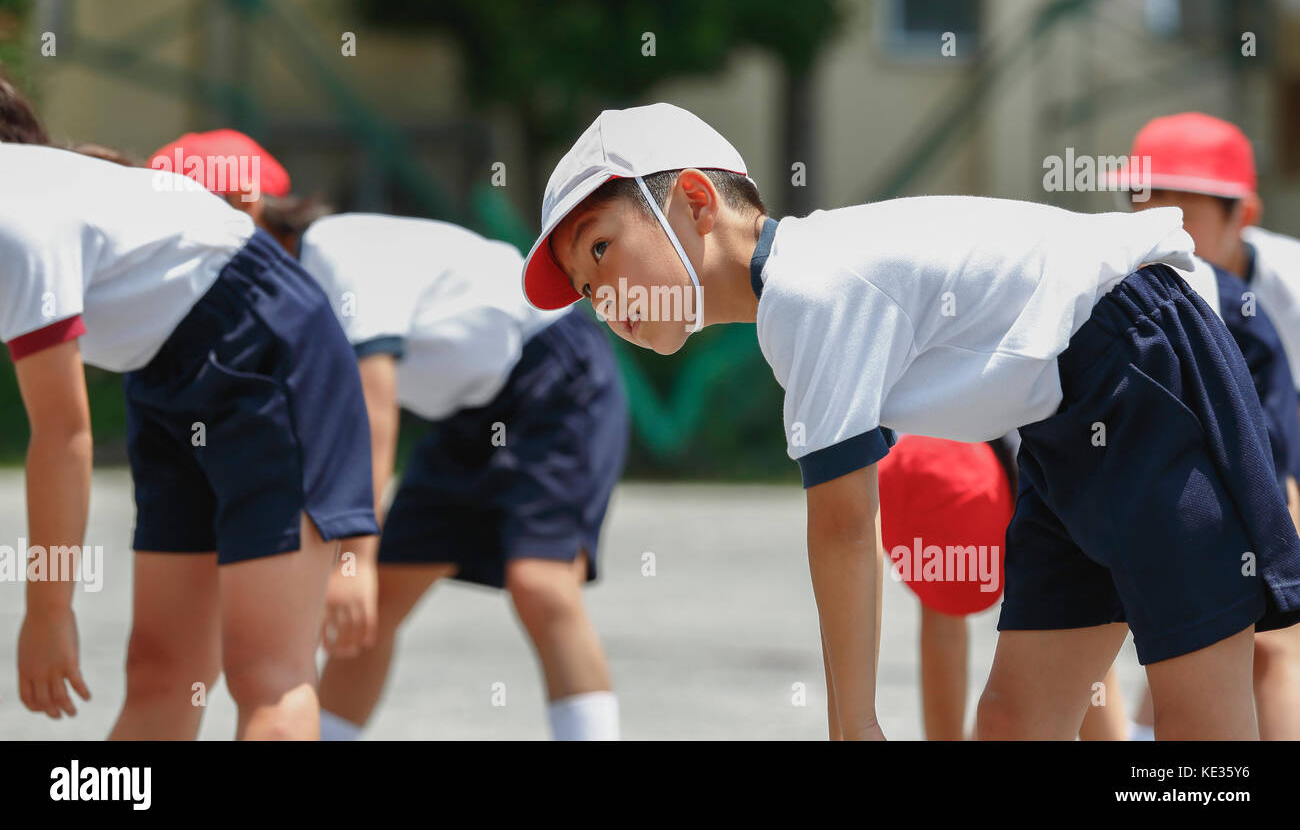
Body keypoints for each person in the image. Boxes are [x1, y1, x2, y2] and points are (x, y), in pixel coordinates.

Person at [522, 102, 1300, 740]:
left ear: (696, 201)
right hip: (1068, 421)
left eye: (602, 248)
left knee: (1202, 734)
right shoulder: (799, 293)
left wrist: (852, 723)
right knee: (1013, 722)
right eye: (586, 287)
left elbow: (844, 528)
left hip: (1140, 366)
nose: (603, 295)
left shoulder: (809, 287)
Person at [153, 131, 630, 740]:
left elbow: (372, 412)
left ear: (245, 206)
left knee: (539, 581)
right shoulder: (273, 299)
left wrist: (352, 558)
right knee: (371, 610)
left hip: (553, 378)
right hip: (468, 414)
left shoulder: (335, 252)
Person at [0, 81, 377, 740]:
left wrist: (48, 608)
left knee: (265, 672)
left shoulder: (14, 218)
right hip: (165, 363)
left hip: (262, 339)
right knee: (160, 669)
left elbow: (62, 434)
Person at [1124, 112, 1300, 739]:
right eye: (1144, 207)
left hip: (1284, 458)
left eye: (1183, 213)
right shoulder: (1135, 293)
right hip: (1215, 463)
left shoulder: (1287, 291)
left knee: (1276, 637)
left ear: (1242, 215)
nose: (1161, 230)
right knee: (1193, 627)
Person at [877, 432, 1129, 740]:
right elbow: (942, 631)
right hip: (958, 469)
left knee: (1074, 640)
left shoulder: (1062, 471)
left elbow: (1082, 647)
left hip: (1080, 472)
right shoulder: (932, 477)